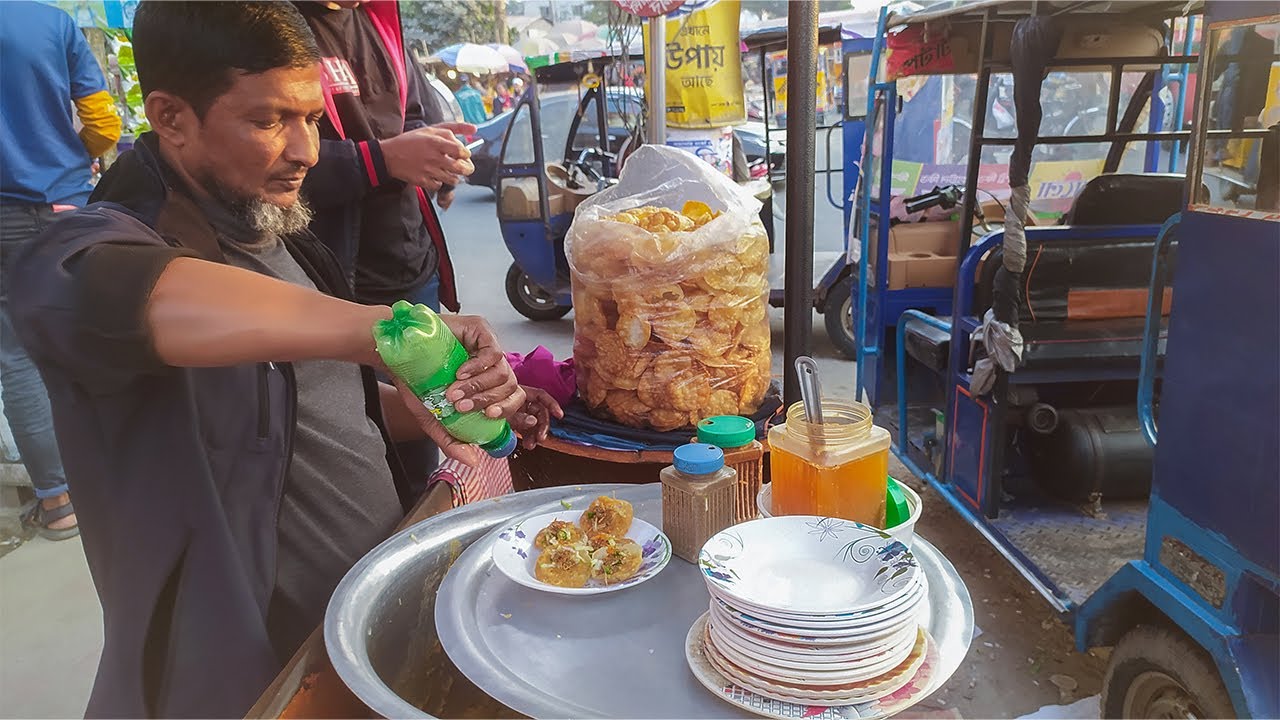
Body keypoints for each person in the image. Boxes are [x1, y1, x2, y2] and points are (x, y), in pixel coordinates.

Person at [5, 3, 547, 716]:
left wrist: (443, 406)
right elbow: (107, 290)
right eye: (268, 121)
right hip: (261, 671)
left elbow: (308, 408)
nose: (307, 151)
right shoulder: (104, 245)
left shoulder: (271, 225)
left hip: (369, 615)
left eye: (313, 118)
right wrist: (381, 329)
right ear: (170, 117)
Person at [0, 1, 121, 540]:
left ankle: (57, 502)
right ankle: (119, 472)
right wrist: (75, 153)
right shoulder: (51, 23)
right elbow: (103, 122)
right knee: (94, 333)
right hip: (64, 203)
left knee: (17, 357)